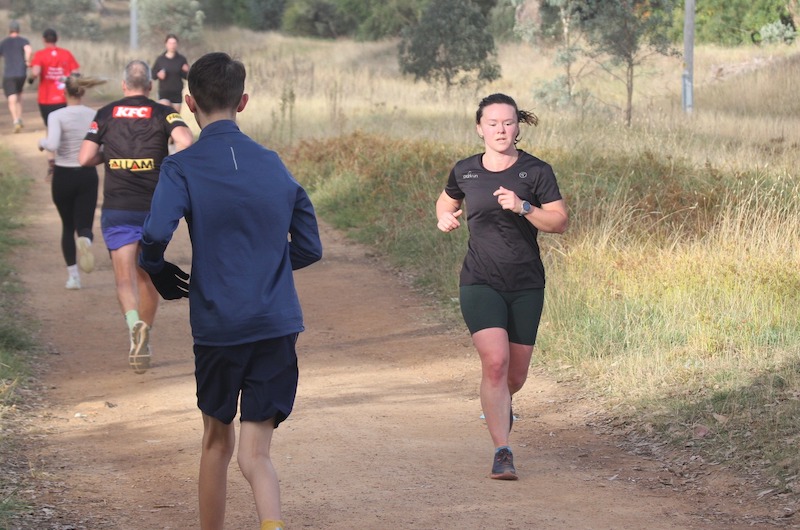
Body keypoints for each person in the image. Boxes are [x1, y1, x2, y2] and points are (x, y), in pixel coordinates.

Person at [139, 52, 322, 530]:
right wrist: (270, 266)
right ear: (243, 101)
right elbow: (309, 245)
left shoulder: (183, 167)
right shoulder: (274, 164)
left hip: (220, 326)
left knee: (216, 443)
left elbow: (156, 233)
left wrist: (155, 269)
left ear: (188, 102)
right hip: (277, 322)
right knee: (256, 454)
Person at [435, 93, 568, 481]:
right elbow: (445, 203)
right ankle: (502, 450)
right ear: (480, 128)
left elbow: (559, 222)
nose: (500, 130)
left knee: (515, 377)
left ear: (517, 127)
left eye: (507, 123)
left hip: (526, 282)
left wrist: (524, 207)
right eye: (492, 123)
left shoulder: (536, 171)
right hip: (480, 280)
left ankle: (500, 406)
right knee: (495, 363)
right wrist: (445, 218)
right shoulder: (466, 171)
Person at [78, 59, 193, 374]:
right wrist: (167, 166)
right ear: (150, 86)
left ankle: (133, 328)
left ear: (124, 85)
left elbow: (85, 157)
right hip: (154, 208)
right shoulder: (163, 112)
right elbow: (186, 141)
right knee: (148, 276)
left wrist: (110, 156)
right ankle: (148, 333)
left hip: (118, 207)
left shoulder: (105, 114)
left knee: (124, 277)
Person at [38, 73, 106, 290]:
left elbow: (53, 142)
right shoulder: (95, 114)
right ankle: (85, 240)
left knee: (67, 226)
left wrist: (41, 142)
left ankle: (73, 277)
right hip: (87, 175)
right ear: (83, 91)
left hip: (63, 175)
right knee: (84, 224)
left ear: (64, 92)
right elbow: (101, 147)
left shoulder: (57, 115)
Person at [29, 28, 79, 179]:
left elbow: (36, 72)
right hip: (64, 97)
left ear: (44, 39)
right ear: (57, 38)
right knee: (66, 126)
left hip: (46, 99)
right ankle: (67, 158)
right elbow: (76, 72)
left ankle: (51, 161)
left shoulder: (39, 55)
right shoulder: (66, 53)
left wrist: (30, 78)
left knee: (51, 127)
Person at [0, 20, 32, 132]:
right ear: (18, 30)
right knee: (19, 95)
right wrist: (27, 61)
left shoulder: (4, 43)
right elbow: (28, 49)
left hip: (9, 73)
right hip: (21, 73)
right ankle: (19, 117)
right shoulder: (23, 40)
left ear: (9, 30)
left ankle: (15, 120)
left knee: (11, 97)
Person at [151, 34, 189, 112]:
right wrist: (159, 74)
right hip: (164, 93)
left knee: (175, 118)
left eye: (174, 43)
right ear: (166, 44)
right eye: (170, 43)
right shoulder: (160, 59)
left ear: (177, 44)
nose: (172, 45)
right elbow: (153, 75)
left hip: (176, 93)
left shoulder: (181, 59)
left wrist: (187, 70)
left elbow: (186, 77)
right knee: (164, 115)